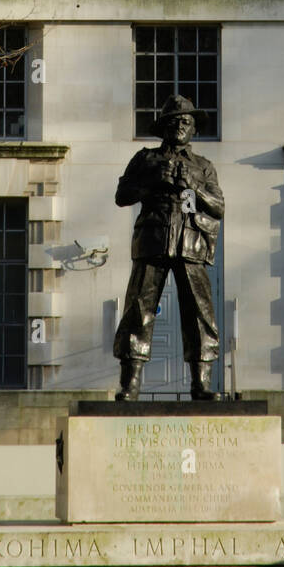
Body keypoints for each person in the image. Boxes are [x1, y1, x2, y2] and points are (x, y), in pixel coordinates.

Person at [113, 94, 224, 401]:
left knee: (199, 313)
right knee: (139, 310)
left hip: (191, 244)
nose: (180, 126)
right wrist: (151, 183)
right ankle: (130, 384)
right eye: (173, 121)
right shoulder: (145, 159)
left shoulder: (203, 167)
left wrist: (196, 186)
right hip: (153, 243)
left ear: (194, 129)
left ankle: (201, 384)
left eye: (186, 122)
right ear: (162, 127)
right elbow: (122, 195)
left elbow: (219, 207)